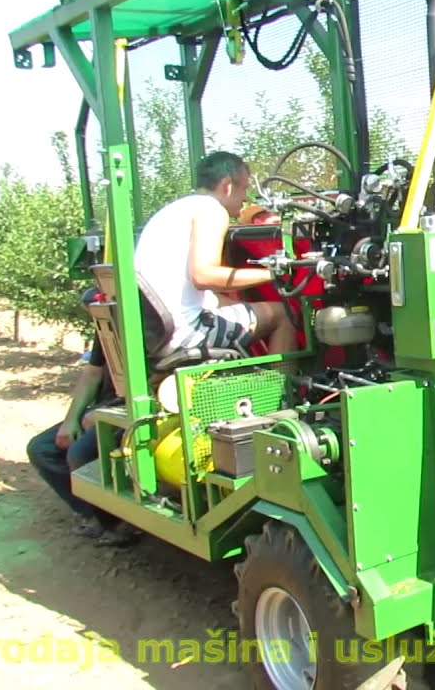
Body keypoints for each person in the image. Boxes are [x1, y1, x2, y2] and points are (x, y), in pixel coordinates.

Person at [134, 151, 297, 355]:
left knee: (253, 310)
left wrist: (246, 305)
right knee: (283, 314)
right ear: (227, 185)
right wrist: (274, 273)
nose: (246, 198)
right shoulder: (211, 210)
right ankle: (283, 386)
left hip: (156, 330)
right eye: (244, 188)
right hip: (185, 332)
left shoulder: (175, 210)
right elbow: (203, 275)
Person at [26, 328, 138, 547]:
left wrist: (108, 414)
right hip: (106, 405)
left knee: (80, 454)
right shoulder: (107, 324)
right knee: (42, 449)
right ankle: (95, 512)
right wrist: (71, 421)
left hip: (133, 409)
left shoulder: (161, 326)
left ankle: (117, 524)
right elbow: (93, 372)